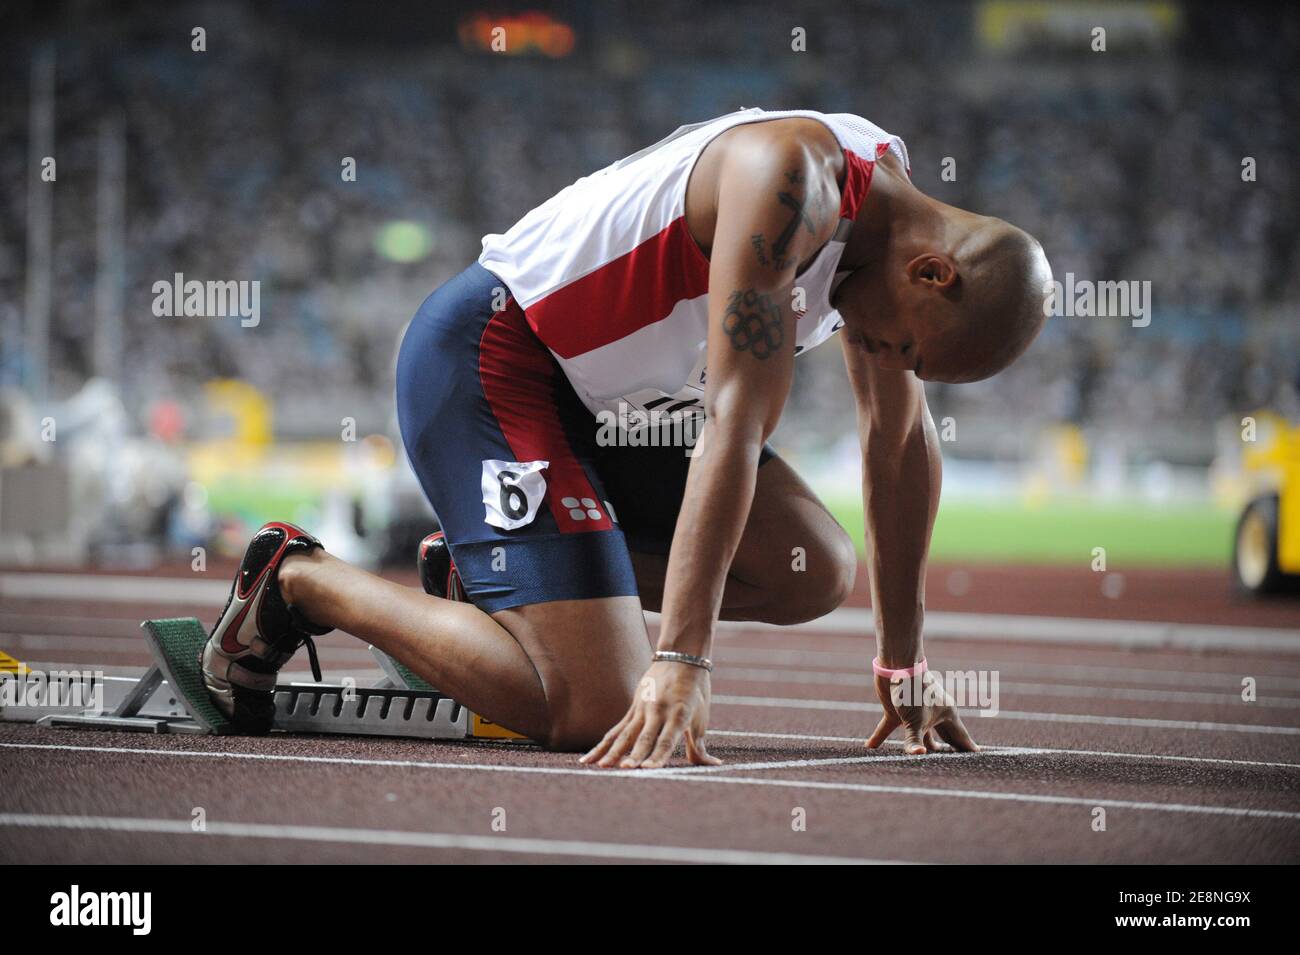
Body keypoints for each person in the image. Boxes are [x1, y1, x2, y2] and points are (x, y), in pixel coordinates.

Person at [199, 108, 1051, 768]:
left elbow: (898, 447)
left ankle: (481, 576)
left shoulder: (886, 254)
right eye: (907, 349)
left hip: (625, 412)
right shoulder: (793, 183)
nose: (890, 360)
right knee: (597, 708)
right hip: (500, 355)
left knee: (813, 568)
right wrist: (681, 658)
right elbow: (733, 420)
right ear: (931, 273)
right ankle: (301, 581)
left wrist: (902, 664)